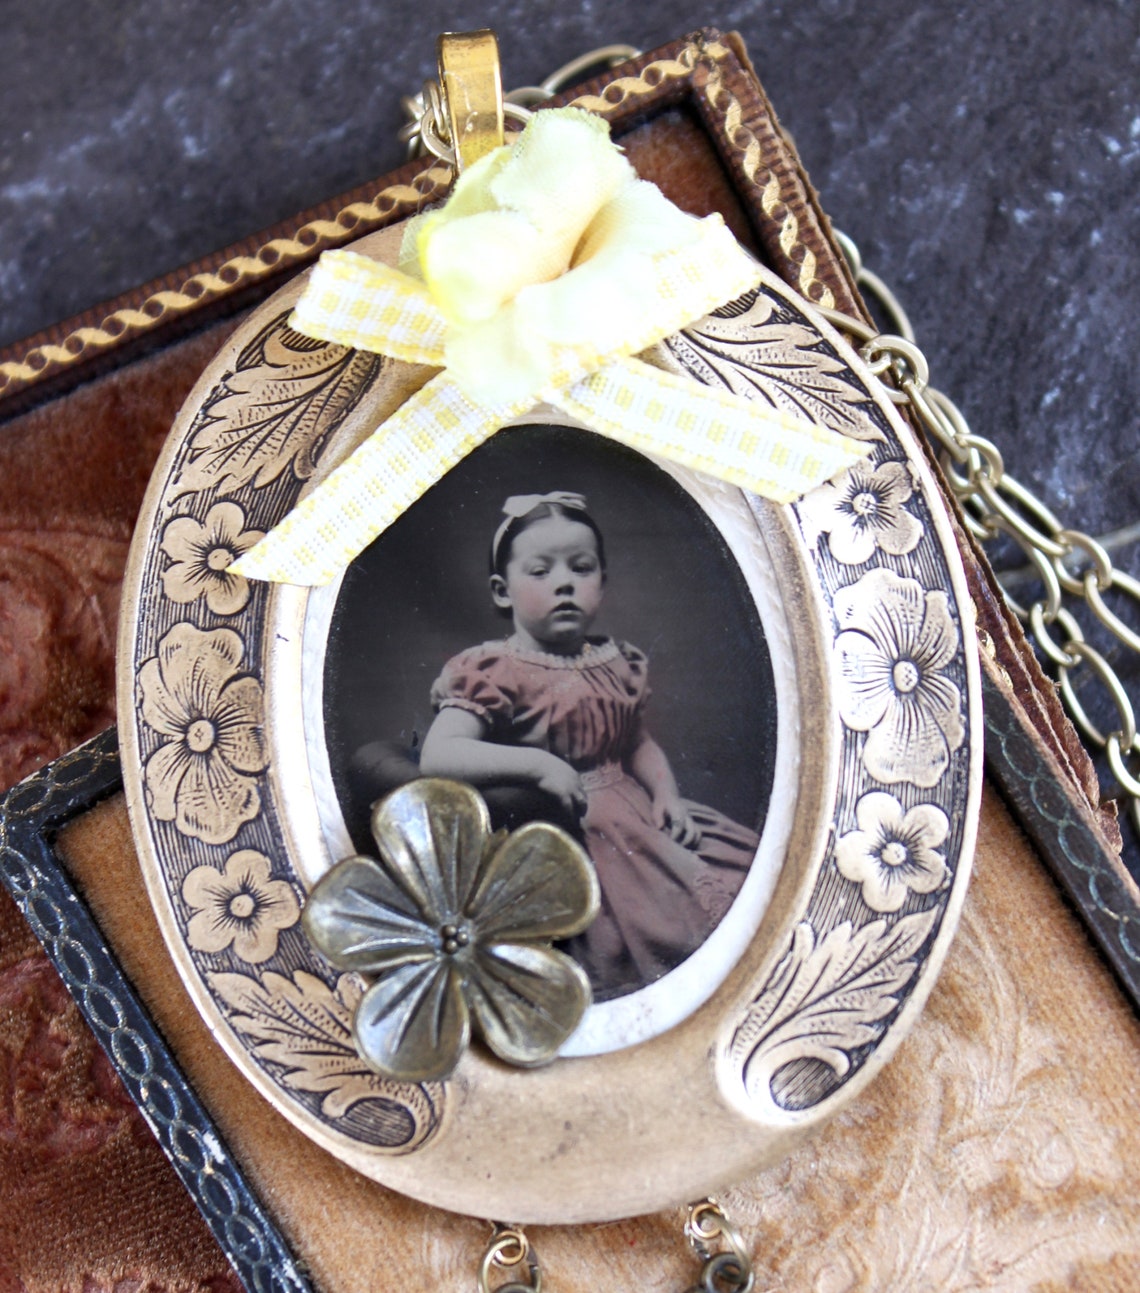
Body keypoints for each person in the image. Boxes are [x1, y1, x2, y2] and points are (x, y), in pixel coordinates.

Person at [419, 491, 759, 1001]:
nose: (565, 583)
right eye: (540, 571)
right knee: (620, 938)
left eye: (581, 569)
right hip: (569, 831)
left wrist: (666, 794)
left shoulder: (616, 661)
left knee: (726, 893)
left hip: (637, 820)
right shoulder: (495, 669)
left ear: (601, 583)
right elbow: (439, 753)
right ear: (502, 591)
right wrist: (536, 764)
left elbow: (637, 742)